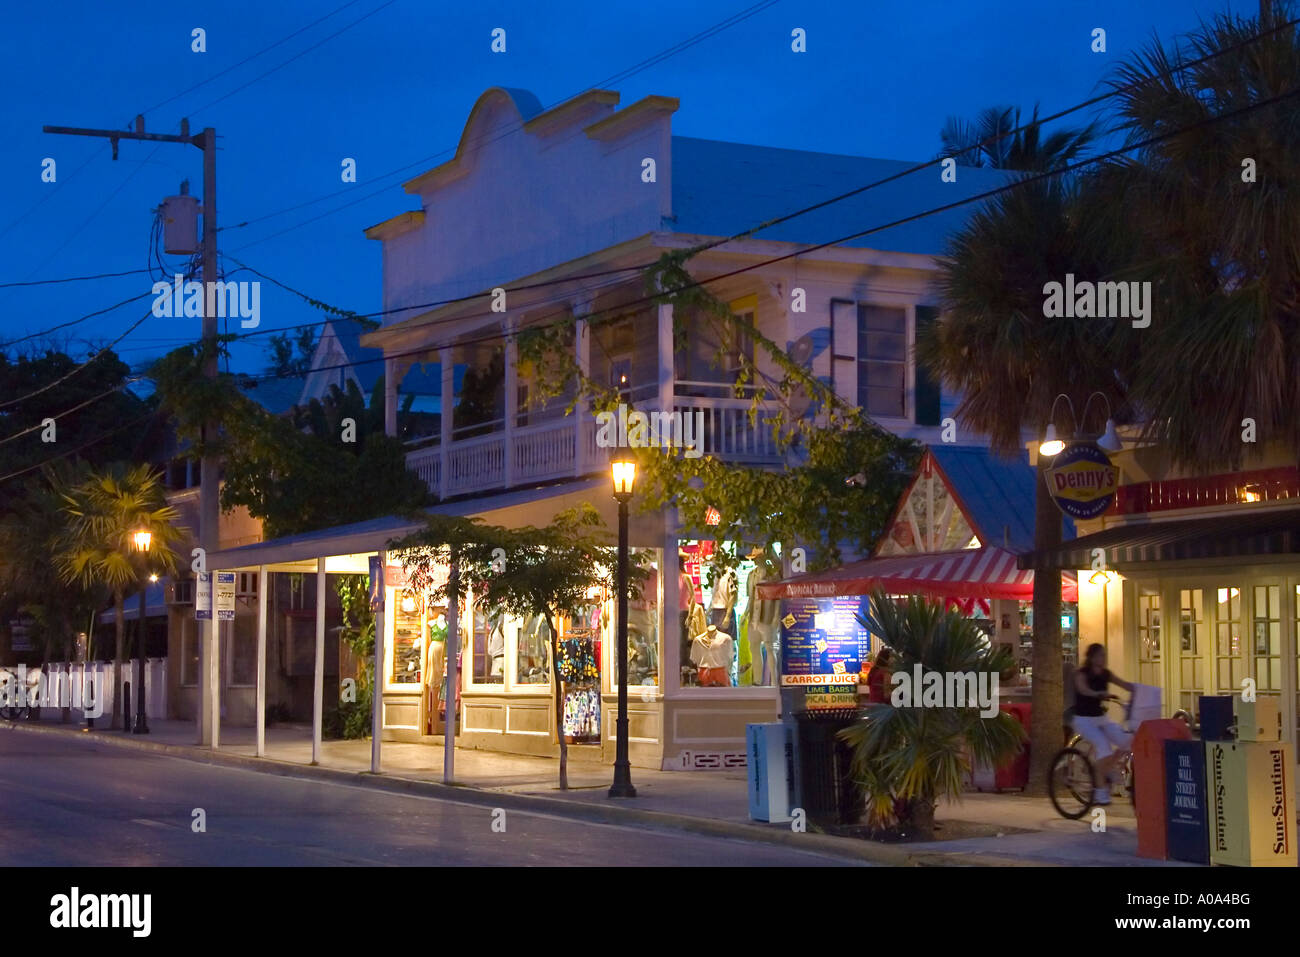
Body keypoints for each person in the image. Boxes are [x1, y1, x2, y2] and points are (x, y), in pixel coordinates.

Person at [1071, 643, 1134, 805]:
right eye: (1100, 655)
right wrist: (1097, 693)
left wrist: (1139, 690)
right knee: (1104, 747)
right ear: (1091, 657)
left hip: (1101, 718)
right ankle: (1100, 792)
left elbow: (1124, 684)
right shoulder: (1082, 674)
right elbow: (1083, 689)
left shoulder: (1106, 674)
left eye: (1104, 655)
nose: (1103, 659)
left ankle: (1108, 769)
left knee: (1125, 740)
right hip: (1084, 720)